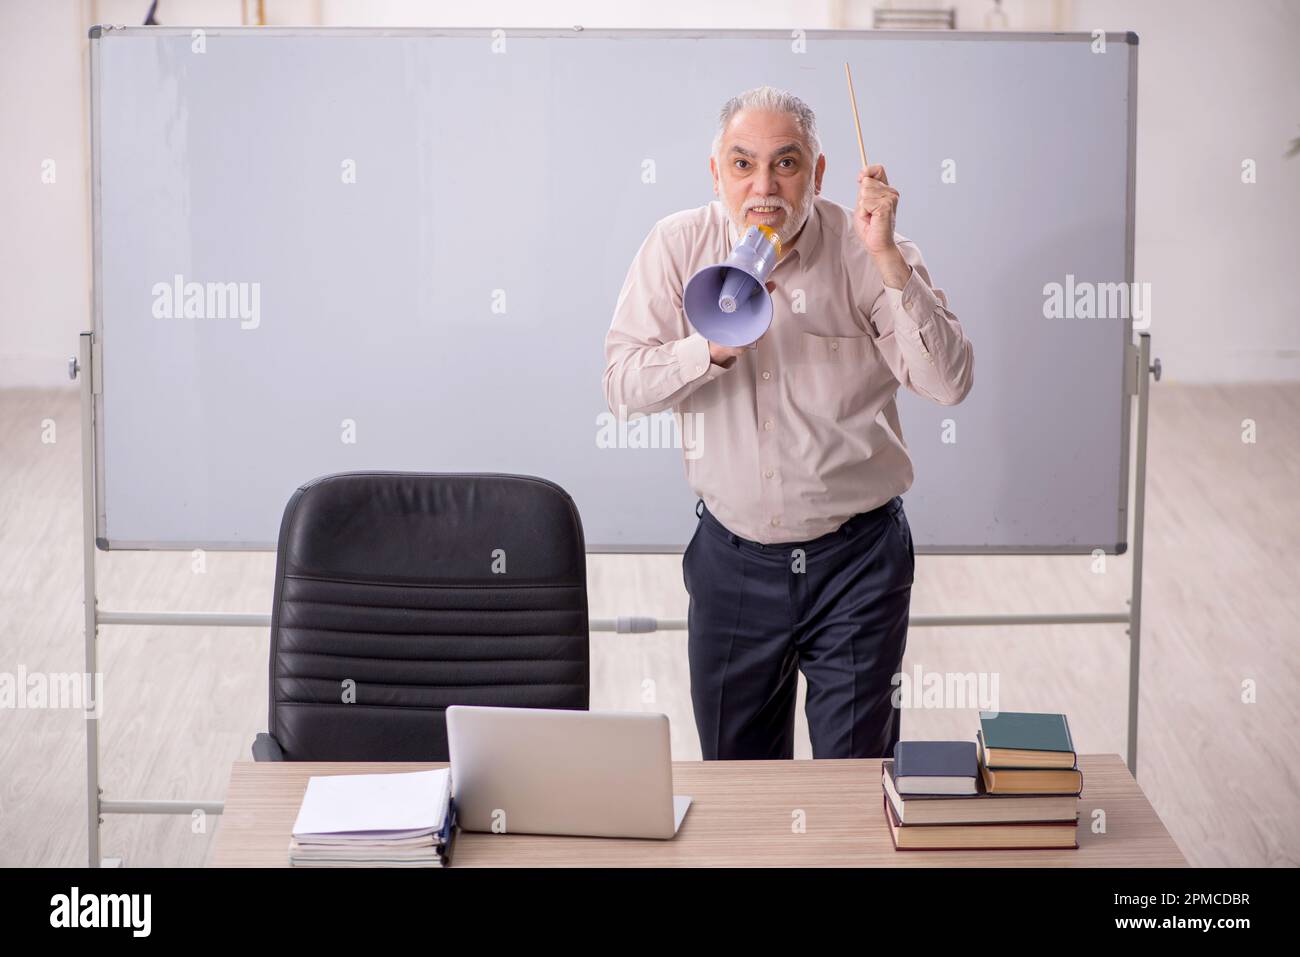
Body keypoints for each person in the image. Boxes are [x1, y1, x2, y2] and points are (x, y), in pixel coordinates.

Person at [603, 86, 974, 759]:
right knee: (739, 782)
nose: (764, 187)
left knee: (856, 779)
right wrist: (707, 349)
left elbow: (948, 382)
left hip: (856, 564)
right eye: (743, 165)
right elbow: (622, 385)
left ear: (820, 172)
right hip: (733, 564)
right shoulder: (676, 244)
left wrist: (890, 262)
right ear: (715, 172)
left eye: (787, 163)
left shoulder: (868, 249)